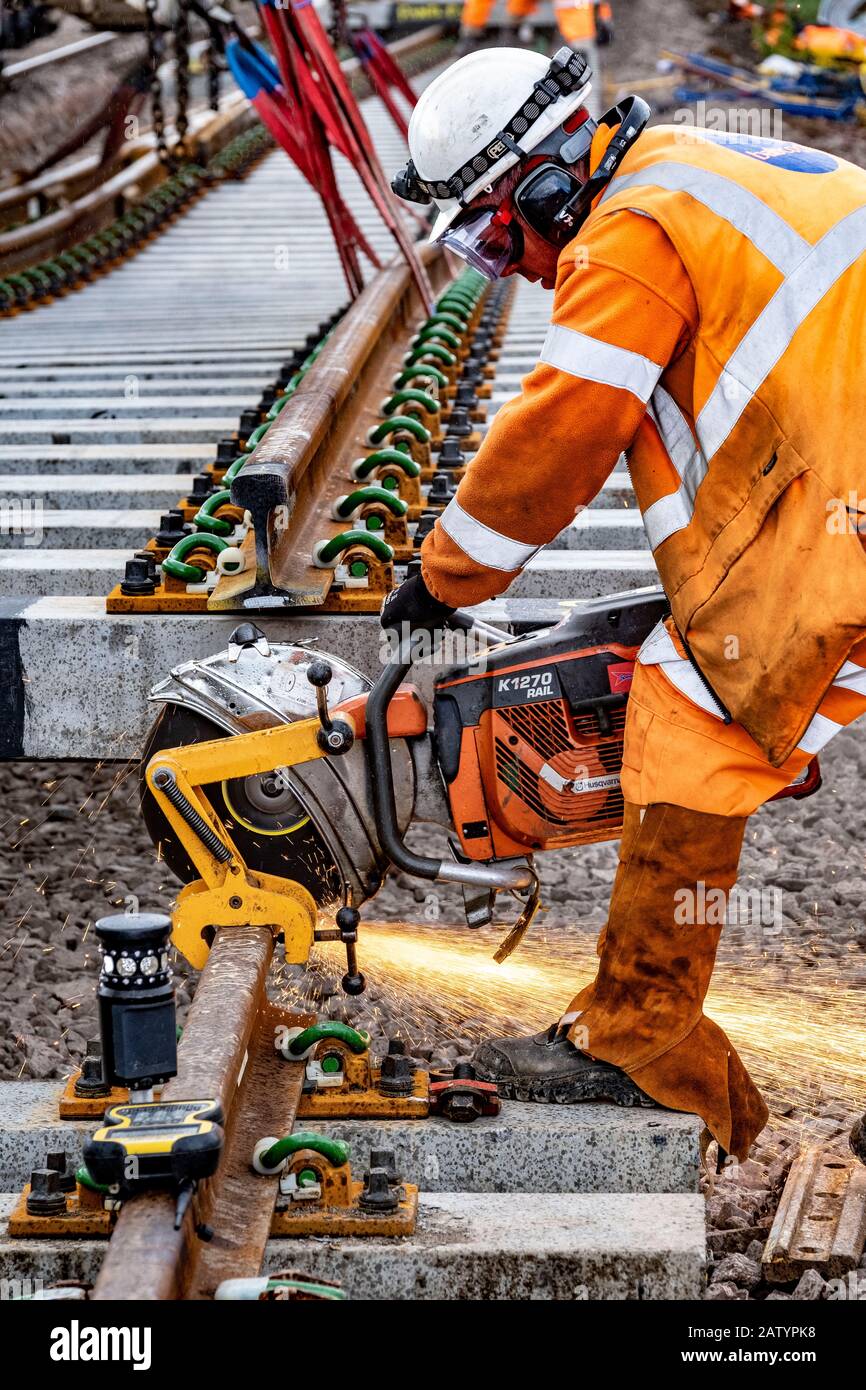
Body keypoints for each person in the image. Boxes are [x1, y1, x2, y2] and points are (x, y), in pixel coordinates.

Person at [384, 45, 866, 1161]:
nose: (510, 267)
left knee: (688, 707)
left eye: (499, 236)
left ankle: (639, 1043)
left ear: (547, 184)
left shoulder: (626, 231)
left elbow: (565, 423)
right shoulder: (689, 167)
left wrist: (447, 575)